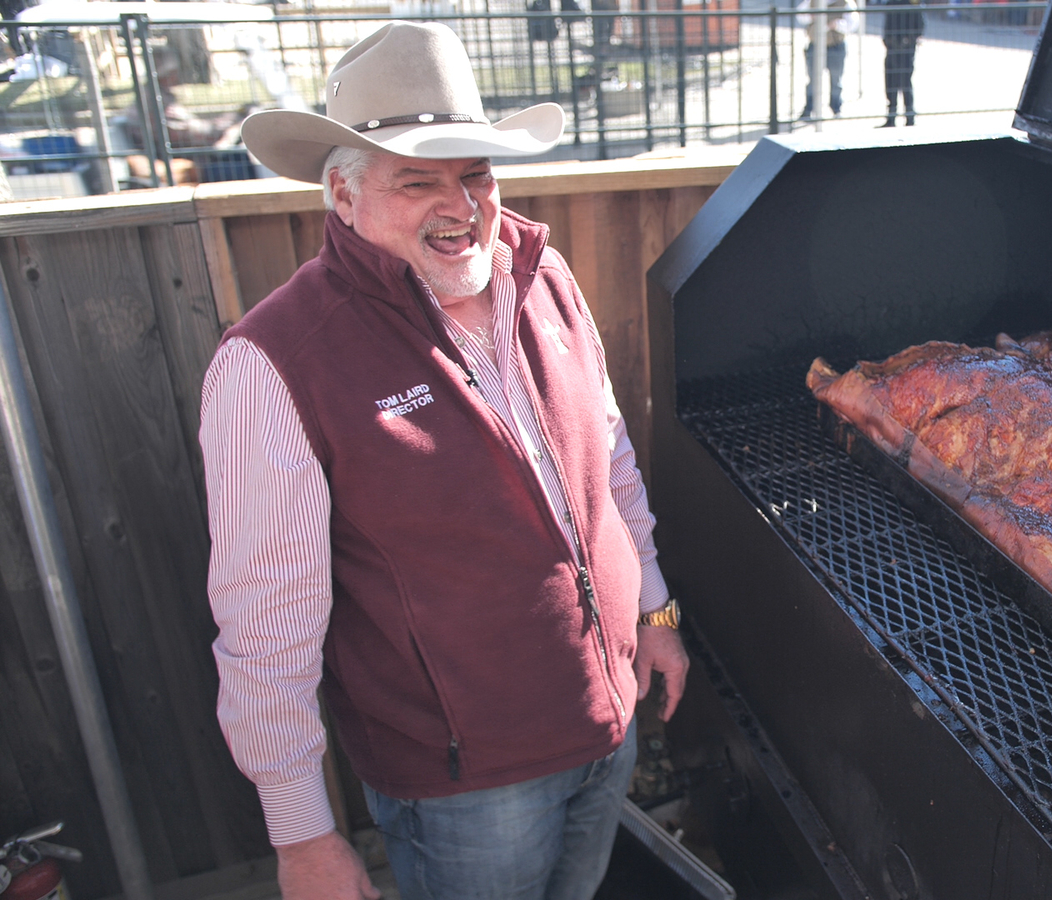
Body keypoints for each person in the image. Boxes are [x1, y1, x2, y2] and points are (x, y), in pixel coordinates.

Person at [203, 21, 689, 900]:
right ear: (342, 199)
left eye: (475, 174)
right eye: (417, 181)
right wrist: (303, 839)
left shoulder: (544, 278)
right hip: (468, 787)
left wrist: (653, 614)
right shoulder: (273, 362)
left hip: (608, 725)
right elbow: (265, 634)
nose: (461, 207)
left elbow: (609, 460)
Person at [796, 0, 859, 119]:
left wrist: (837, 24)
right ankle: (809, 108)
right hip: (815, 44)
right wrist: (811, 16)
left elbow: (853, 23)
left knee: (836, 80)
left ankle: (836, 107)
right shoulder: (812, 1)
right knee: (813, 79)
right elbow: (800, 15)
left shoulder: (845, 3)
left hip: (835, 45)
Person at [879, 0, 923, 126]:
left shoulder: (913, 3)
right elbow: (888, 22)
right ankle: (891, 117)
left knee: (905, 82)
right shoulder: (891, 2)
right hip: (891, 47)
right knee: (890, 81)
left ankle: (909, 116)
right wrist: (888, 40)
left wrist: (908, 40)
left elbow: (919, 25)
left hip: (906, 49)